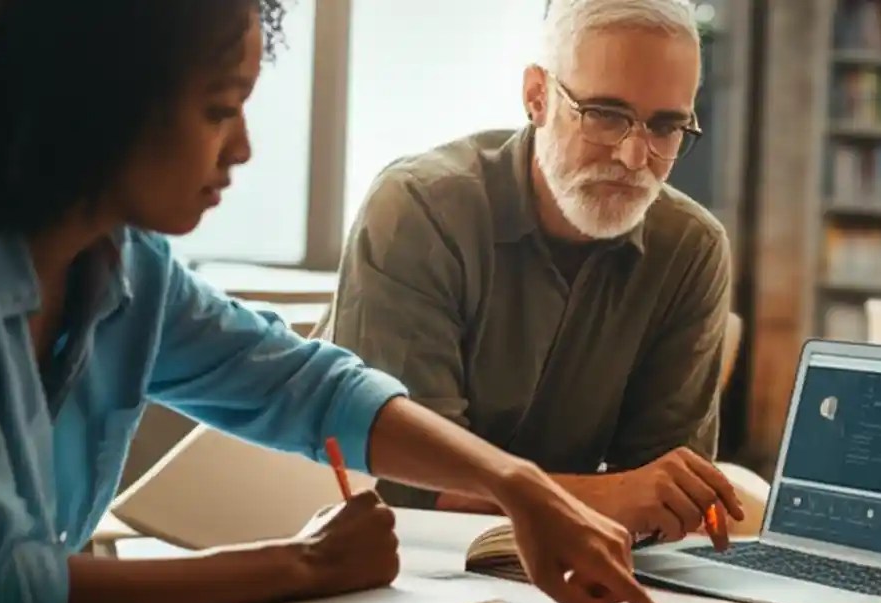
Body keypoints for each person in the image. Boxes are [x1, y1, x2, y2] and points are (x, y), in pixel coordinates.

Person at [0, 0, 686, 603]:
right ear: (101, 101)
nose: (243, 148)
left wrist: (514, 483)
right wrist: (302, 565)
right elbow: (9, 595)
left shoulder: (132, 269)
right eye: (222, 110)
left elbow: (309, 386)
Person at [317, 0, 745, 548]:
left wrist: (648, 501)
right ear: (537, 96)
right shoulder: (419, 209)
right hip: (398, 557)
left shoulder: (692, 248)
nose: (636, 156)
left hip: (579, 561)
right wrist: (610, 497)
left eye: (667, 126)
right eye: (605, 115)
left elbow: (665, 498)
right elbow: (409, 485)